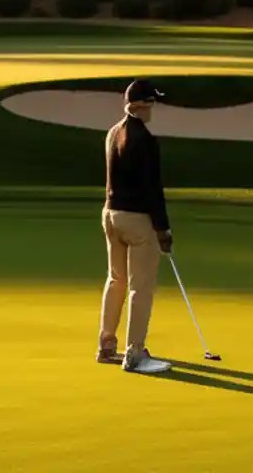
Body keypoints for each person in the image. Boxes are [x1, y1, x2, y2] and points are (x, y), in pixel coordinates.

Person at [98, 79, 175, 374]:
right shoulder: (145, 140)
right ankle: (135, 353)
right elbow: (152, 191)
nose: (154, 107)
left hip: (110, 215)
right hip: (137, 220)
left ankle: (107, 345)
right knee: (140, 288)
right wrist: (163, 229)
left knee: (115, 279)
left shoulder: (112, 133)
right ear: (143, 105)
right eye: (153, 102)